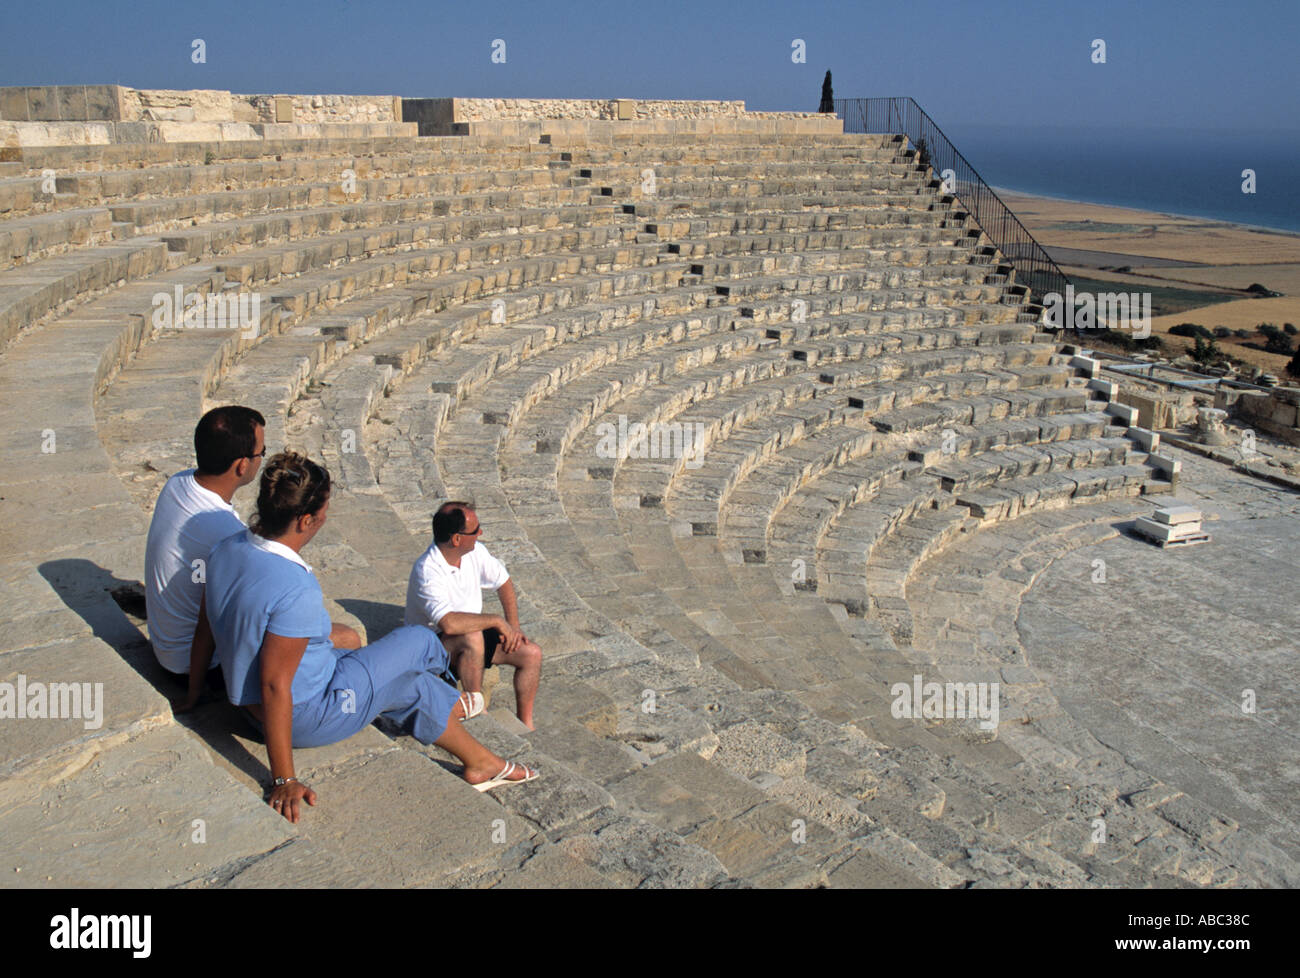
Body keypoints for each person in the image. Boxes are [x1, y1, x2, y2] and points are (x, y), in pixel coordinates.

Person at [186, 452, 538, 822]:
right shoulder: (294, 585)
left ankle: (480, 763)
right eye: (323, 511)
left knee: (410, 682)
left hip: (249, 705)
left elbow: (205, 624)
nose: (325, 518)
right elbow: (276, 685)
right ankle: (456, 698)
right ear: (305, 520)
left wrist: (194, 694)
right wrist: (285, 778)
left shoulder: (226, 549)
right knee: (419, 641)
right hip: (309, 714)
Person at [145, 405, 266, 685]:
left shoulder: (177, 482)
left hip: (166, 647)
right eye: (261, 452)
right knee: (339, 639)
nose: (262, 459)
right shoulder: (227, 534)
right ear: (242, 465)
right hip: (198, 665)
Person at [405, 501, 542, 730]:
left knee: (531, 654)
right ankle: (477, 708)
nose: (480, 533)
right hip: (433, 646)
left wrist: (514, 627)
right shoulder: (427, 569)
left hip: (470, 631)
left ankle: (526, 723)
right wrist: (497, 621)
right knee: (473, 637)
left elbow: (504, 582)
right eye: (475, 530)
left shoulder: (475, 552)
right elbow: (448, 623)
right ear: (457, 539)